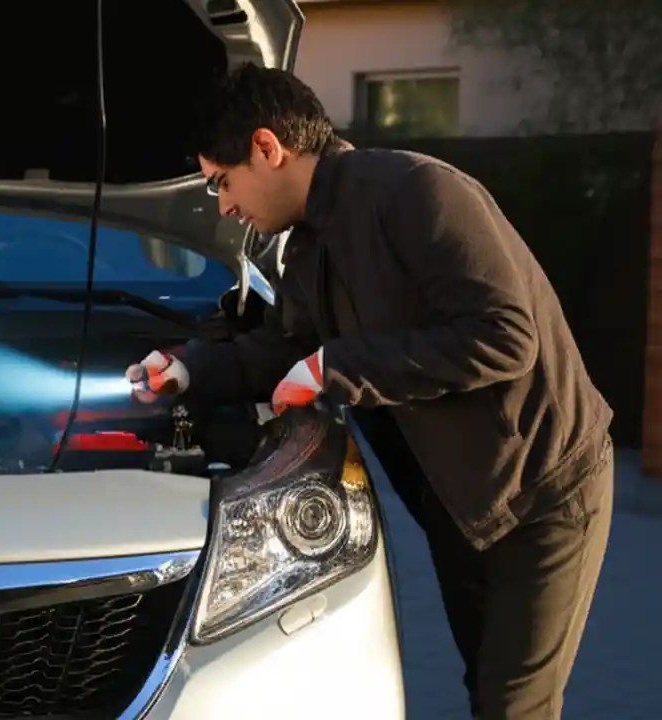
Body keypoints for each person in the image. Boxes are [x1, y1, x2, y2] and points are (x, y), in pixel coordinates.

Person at [127, 62, 614, 719]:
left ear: (267, 149)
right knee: (487, 691)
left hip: (544, 492)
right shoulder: (305, 245)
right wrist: (188, 369)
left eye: (223, 181)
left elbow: (502, 338)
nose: (225, 206)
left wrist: (336, 367)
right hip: (458, 504)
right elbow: (284, 346)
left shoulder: (417, 192)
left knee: (516, 706)